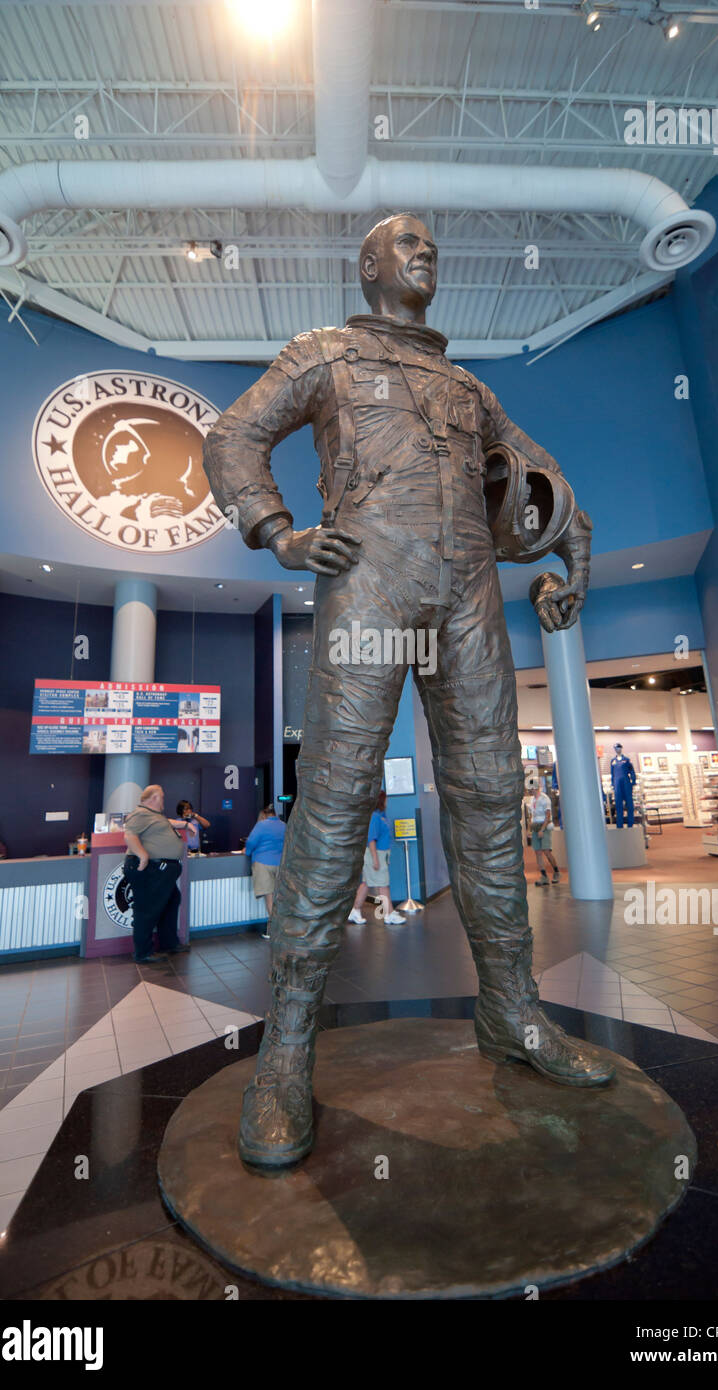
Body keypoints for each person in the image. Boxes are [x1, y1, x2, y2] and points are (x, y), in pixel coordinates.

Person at [204, 211, 613, 1169]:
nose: (425, 254)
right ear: (368, 264)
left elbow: (549, 481)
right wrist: (279, 533)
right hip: (369, 583)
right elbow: (231, 440)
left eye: (433, 245)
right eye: (407, 243)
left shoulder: (468, 388)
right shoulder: (326, 355)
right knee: (338, 797)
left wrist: (574, 566)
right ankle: (286, 1054)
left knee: (488, 800)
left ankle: (512, 1015)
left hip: (468, 594)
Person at [123, 784, 189, 964]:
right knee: (147, 910)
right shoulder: (140, 813)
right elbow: (129, 835)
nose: (164, 801)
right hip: (151, 869)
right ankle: (143, 952)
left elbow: (167, 822)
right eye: (162, 797)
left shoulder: (154, 816)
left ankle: (169, 943)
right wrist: (143, 855)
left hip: (163, 871)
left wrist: (185, 824)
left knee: (171, 901)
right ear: (154, 798)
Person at [348, 791, 406, 926]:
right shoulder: (374, 817)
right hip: (375, 854)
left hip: (381, 854)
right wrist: (375, 859)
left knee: (366, 883)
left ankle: (355, 911)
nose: (387, 802)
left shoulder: (382, 816)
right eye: (385, 799)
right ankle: (389, 914)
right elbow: (371, 840)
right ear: (380, 800)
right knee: (383, 885)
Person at [243, 806, 287, 930]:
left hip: (263, 863)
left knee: (270, 898)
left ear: (263, 816)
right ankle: (283, 929)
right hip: (281, 864)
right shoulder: (284, 825)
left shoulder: (261, 825)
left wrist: (247, 852)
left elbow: (251, 842)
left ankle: (274, 929)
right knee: (280, 897)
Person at [527, 787, 560, 886]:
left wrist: (542, 829)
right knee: (537, 852)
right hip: (535, 826)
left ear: (536, 788)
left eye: (531, 788)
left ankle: (556, 872)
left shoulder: (545, 798)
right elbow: (531, 815)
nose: (530, 790)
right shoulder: (532, 799)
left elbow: (548, 815)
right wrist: (530, 829)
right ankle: (544, 876)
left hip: (544, 826)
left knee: (546, 850)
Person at [611, 742, 637, 828]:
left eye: (619, 748)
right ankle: (619, 825)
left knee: (629, 804)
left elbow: (631, 771)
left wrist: (633, 781)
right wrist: (612, 784)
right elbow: (612, 774)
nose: (617, 749)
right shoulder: (613, 761)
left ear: (621, 748)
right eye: (616, 748)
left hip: (626, 784)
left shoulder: (627, 760)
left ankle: (630, 824)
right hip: (617, 785)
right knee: (619, 805)